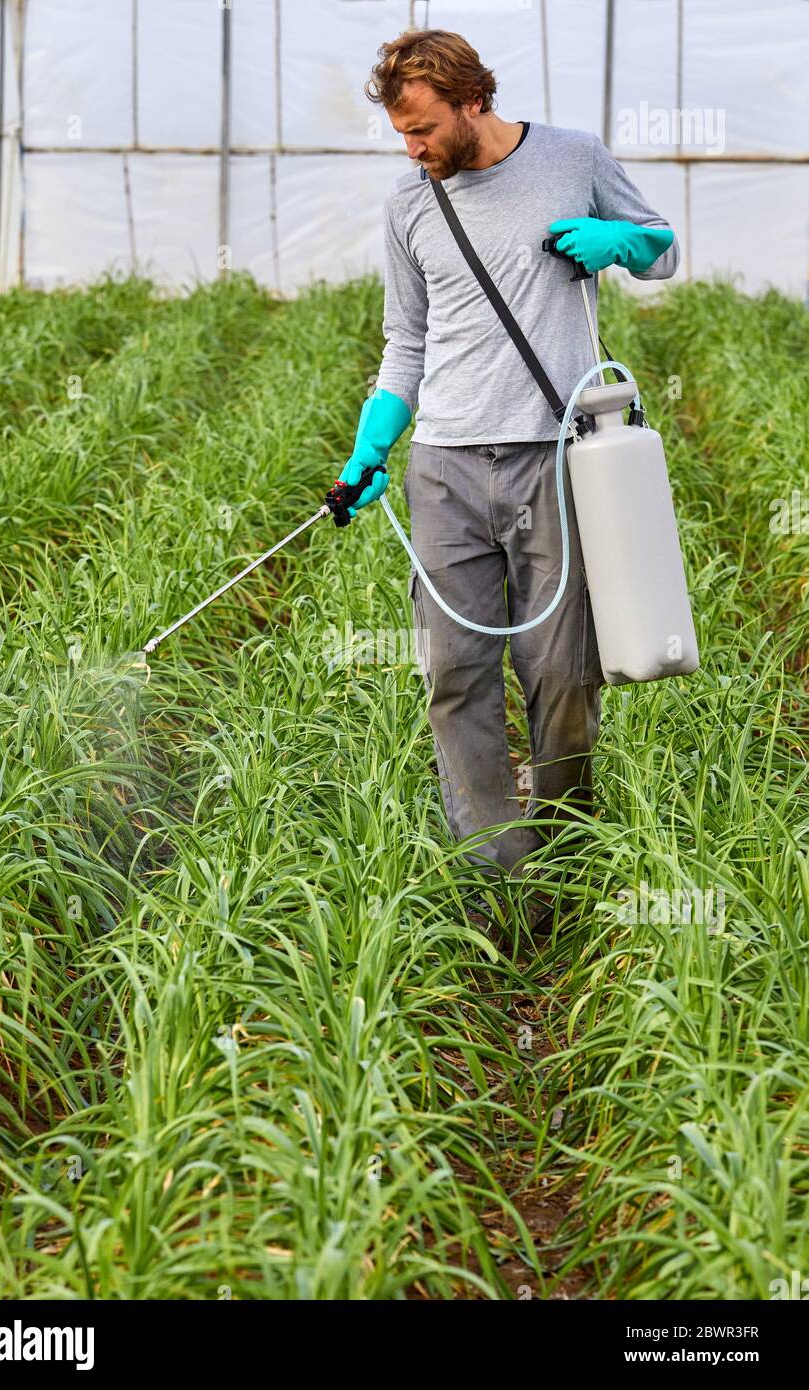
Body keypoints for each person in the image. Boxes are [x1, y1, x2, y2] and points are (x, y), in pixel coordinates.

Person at [337, 28, 679, 915]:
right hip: (444, 461)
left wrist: (624, 243)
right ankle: (500, 877)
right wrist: (373, 445)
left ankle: (563, 854)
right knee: (454, 671)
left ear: (471, 102)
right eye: (401, 134)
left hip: (554, 456)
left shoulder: (574, 158)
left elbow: (663, 248)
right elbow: (405, 340)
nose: (411, 150)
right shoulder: (410, 205)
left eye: (421, 130)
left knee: (564, 673)